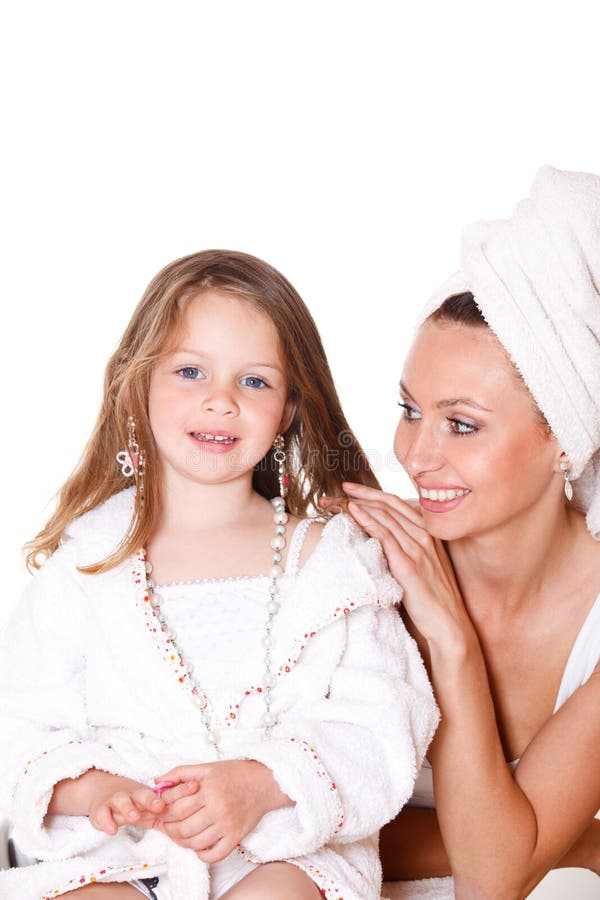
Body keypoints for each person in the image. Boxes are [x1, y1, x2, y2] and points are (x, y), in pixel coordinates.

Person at [0, 250, 438, 900]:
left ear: (288, 410)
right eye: (190, 371)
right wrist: (99, 793)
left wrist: (262, 782)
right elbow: (24, 727)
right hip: (119, 854)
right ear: (137, 384)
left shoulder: (333, 563)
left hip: (285, 851)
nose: (220, 400)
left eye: (254, 382)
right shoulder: (86, 565)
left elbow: (379, 724)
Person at [325, 167, 600, 899]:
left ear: (564, 442)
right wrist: (575, 838)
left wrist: (452, 642)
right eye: (410, 409)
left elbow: (490, 879)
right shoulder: (362, 568)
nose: (415, 454)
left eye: (462, 424)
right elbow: (296, 822)